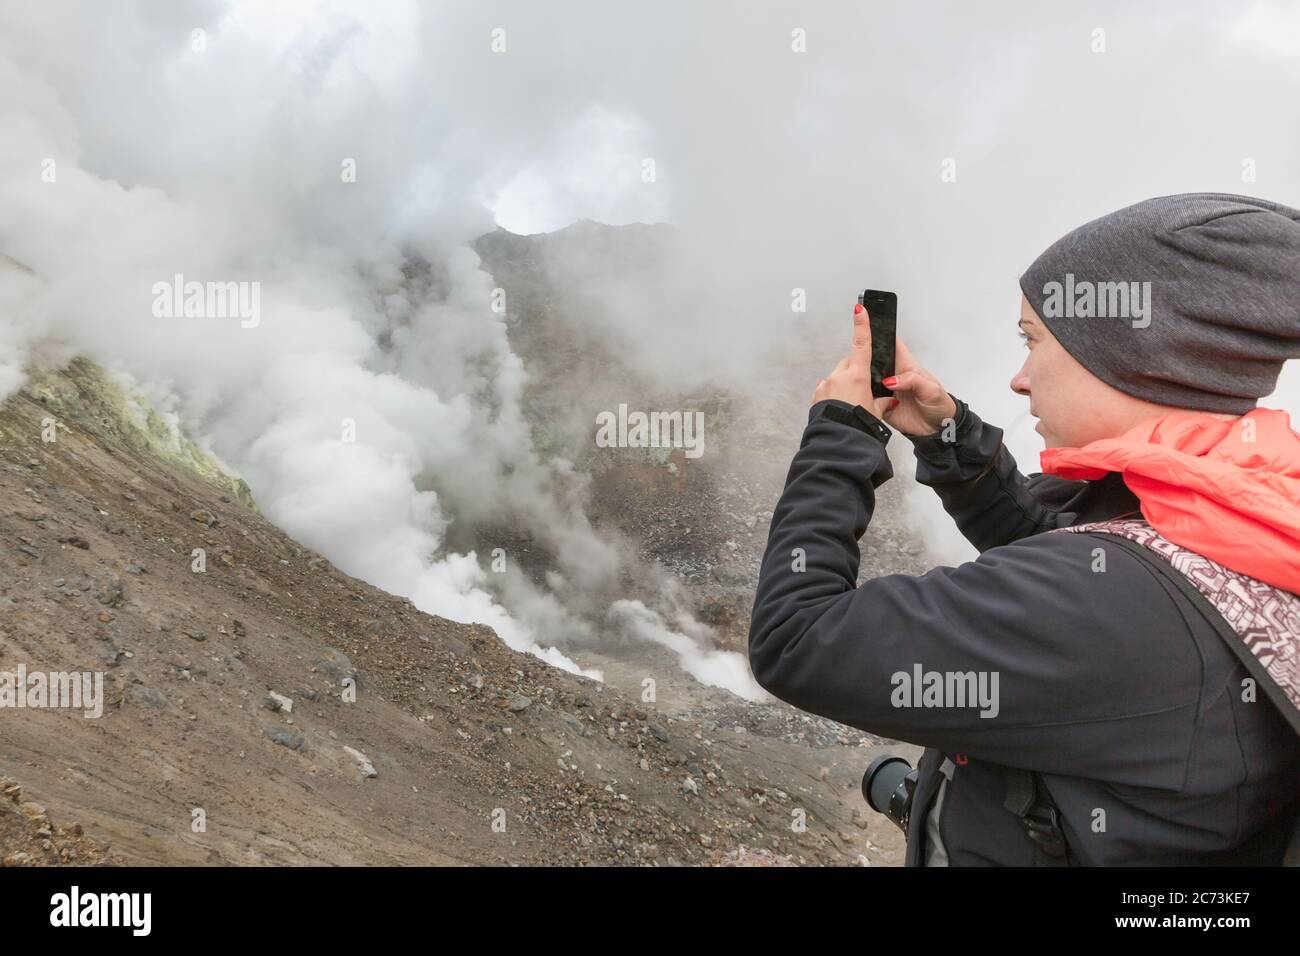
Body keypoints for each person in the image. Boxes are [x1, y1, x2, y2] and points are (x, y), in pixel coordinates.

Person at [748, 193, 1300, 865]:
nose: (1017, 378)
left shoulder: (1100, 606)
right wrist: (949, 438)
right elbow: (1085, 548)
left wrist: (840, 434)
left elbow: (797, 639)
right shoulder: (1244, 501)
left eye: (1032, 341)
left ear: (1130, 357)